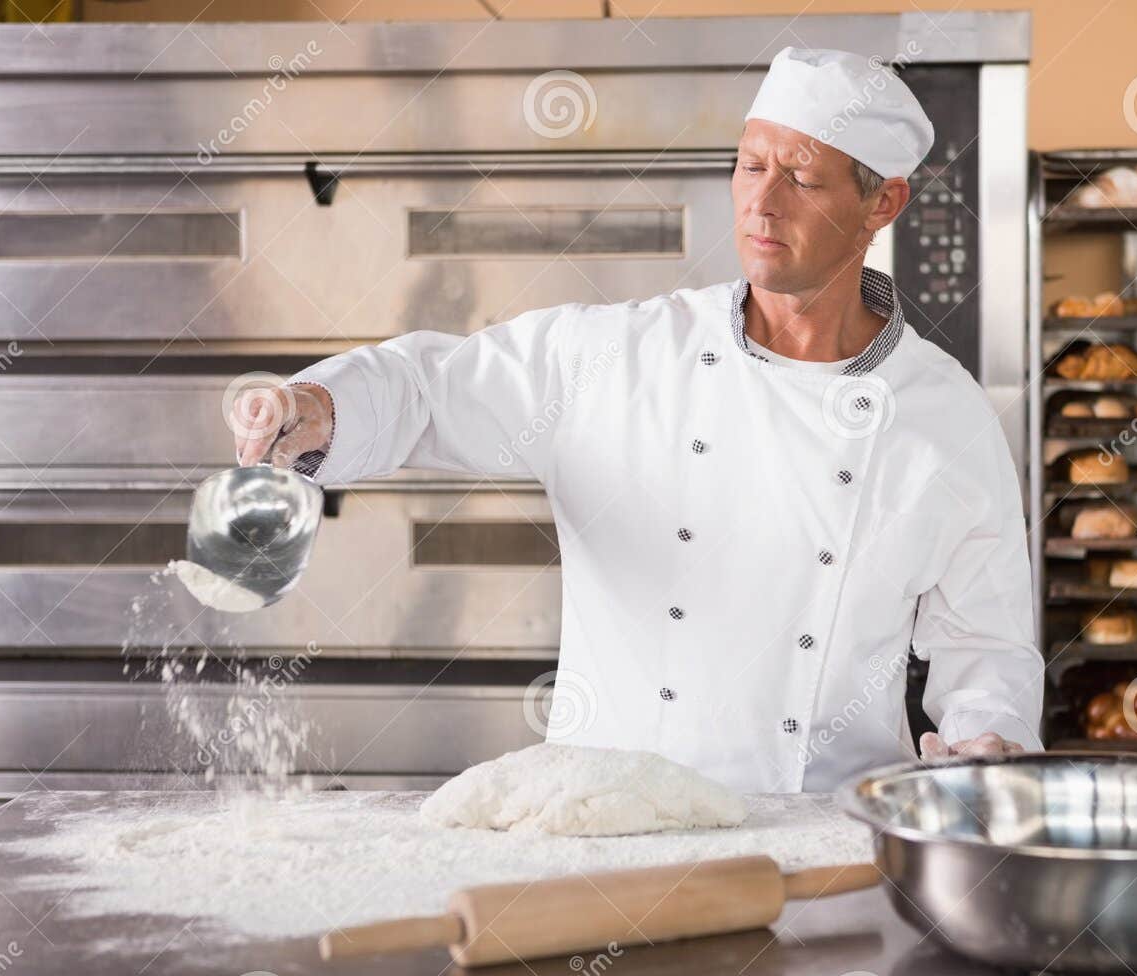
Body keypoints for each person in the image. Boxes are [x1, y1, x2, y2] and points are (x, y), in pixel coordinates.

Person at [230, 46, 1044, 792]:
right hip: (608, 830)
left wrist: (988, 740)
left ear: (883, 203)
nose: (761, 202)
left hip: (825, 839)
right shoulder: (622, 356)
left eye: (801, 178)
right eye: (750, 165)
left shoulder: (944, 417)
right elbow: (430, 386)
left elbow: (987, 650)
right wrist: (316, 406)